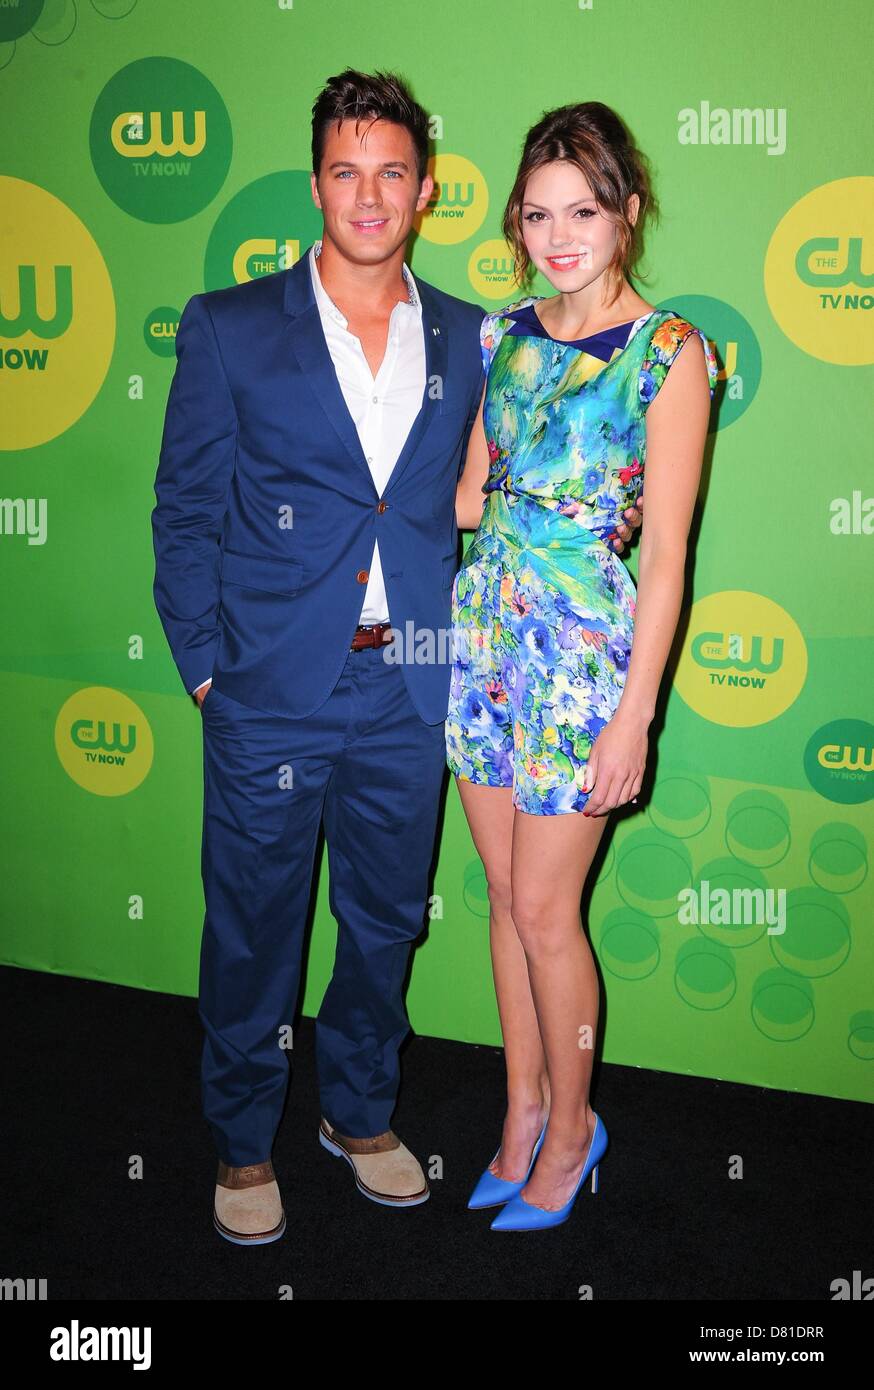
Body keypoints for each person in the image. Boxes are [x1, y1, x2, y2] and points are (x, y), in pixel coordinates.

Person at [152, 70, 643, 1247]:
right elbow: (183, 513)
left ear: (423, 192)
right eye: (343, 171)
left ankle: (360, 1117)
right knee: (254, 926)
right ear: (316, 182)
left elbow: (510, 478)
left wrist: (591, 513)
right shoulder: (229, 327)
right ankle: (240, 1140)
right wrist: (208, 671)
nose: (367, 196)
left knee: (384, 922)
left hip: (414, 681)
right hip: (266, 688)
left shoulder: (477, 338)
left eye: (390, 174)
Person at [447, 102, 718, 1230]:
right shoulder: (501, 335)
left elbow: (666, 565)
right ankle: (519, 1113)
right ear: (517, 220)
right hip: (485, 638)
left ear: (627, 213)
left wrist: (634, 715)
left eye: (585, 211)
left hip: (579, 657)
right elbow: (467, 496)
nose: (560, 235)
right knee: (504, 899)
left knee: (551, 912)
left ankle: (573, 1130)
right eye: (539, 212)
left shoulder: (671, 354)